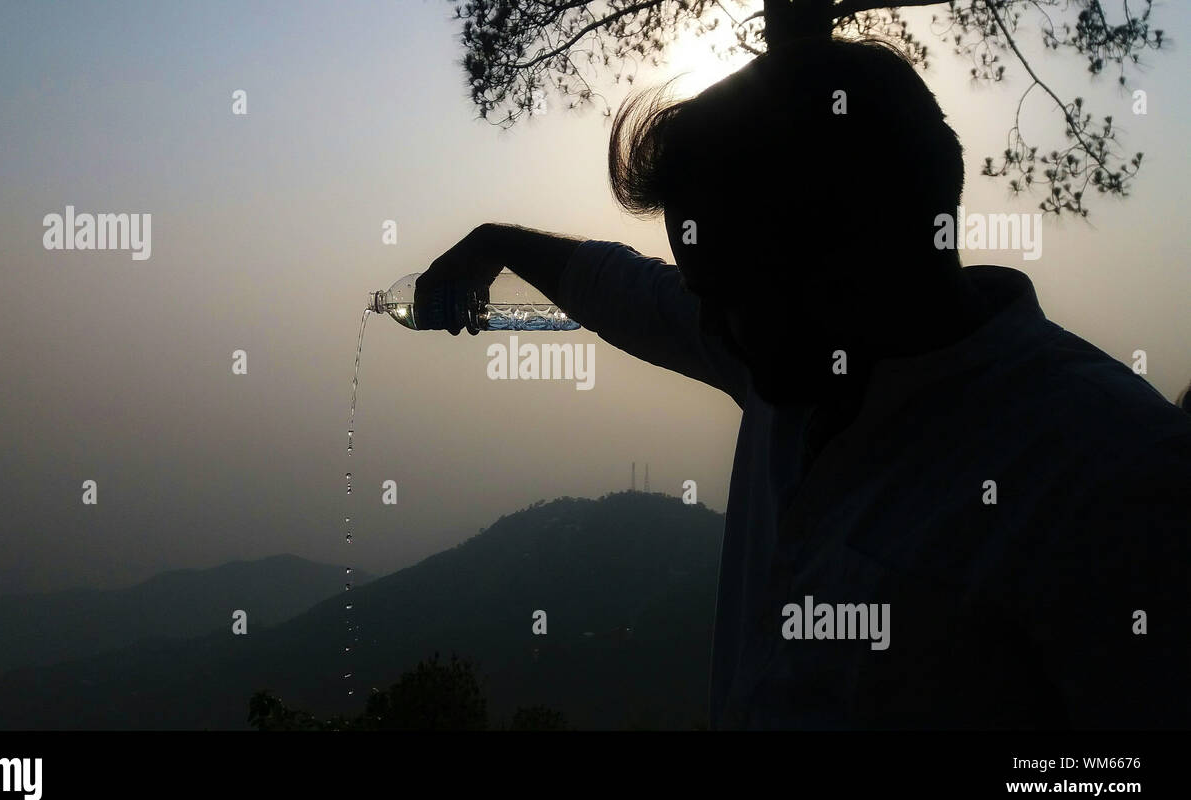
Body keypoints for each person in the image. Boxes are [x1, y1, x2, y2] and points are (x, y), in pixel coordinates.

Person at [415, 38, 1191, 730]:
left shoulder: (1113, 470)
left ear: (851, 250)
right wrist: (499, 243)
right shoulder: (791, 355)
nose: (706, 325)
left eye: (728, 289)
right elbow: (627, 288)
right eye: (701, 292)